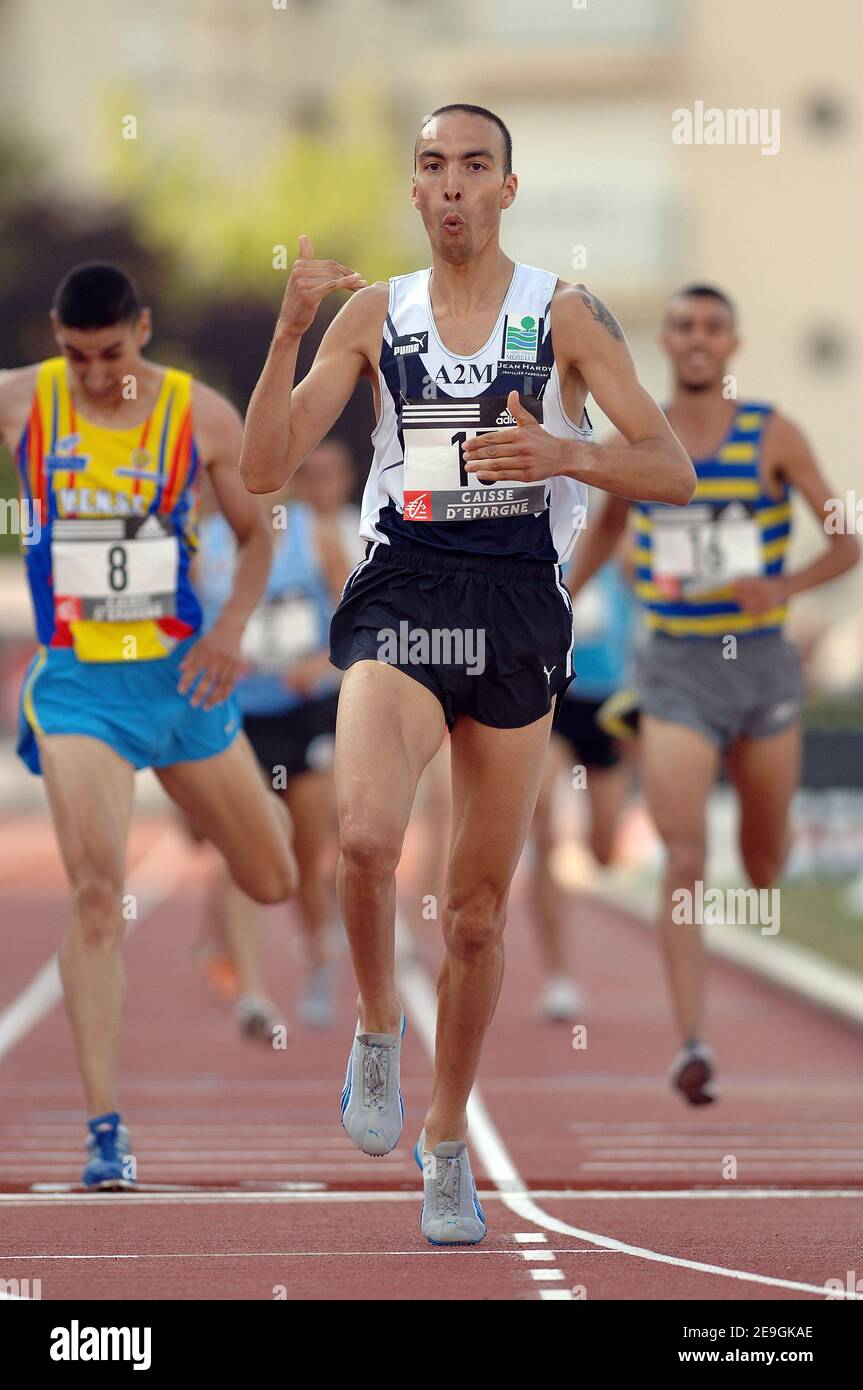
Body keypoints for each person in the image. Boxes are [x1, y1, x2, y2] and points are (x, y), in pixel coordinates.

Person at [239, 104, 694, 1243]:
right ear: (413, 190)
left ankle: (447, 1140)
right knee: (361, 841)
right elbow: (260, 469)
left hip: (515, 604)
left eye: (472, 167)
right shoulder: (369, 313)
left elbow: (670, 469)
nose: (451, 185)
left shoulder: (564, 314)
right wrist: (286, 334)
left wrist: (562, 452)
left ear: (506, 187)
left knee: (480, 915)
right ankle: (380, 1028)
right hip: (405, 587)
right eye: (432, 166)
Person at [0, 263, 297, 1189]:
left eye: (111, 354)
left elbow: (259, 537)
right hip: (78, 686)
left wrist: (231, 631)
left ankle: (215, 912)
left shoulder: (198, 415)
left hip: (180, 682)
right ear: (55, 336)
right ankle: (104, 1133)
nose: (93, 374)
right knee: (97, 893)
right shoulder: (20, 403)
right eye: (75, 355)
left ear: (143, 331)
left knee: (275, 876)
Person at [567, 283, 860, 1104]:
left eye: (712, 328)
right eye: (684, 326)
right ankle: (691, 1041)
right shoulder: (643, 439)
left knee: (763, 862)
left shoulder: (774, 434)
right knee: (684, 853)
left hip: (762, 669)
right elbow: (604, 532)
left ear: (731, 346)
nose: (697, 338)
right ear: (667, 340)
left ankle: (761, 882)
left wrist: (784, 584)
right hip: (674, 671)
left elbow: (846, 541)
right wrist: (552, 602)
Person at [192, 437, 361, 1036]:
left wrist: (319, 663)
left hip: (307, 712)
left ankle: (318, 953)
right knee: (239, 852)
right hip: (238, 718)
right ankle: (256, 996)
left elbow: (356, 614)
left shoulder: (313, 535)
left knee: (307, 850)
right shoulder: (207, 547)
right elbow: (186, 633)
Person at [530, 558, 634, 1022]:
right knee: (544, 829)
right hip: (550, 691)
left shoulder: (618, 519)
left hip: (607, 700)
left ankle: (588, 840)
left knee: (604, 852)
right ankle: (559, 976)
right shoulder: (542, 511)